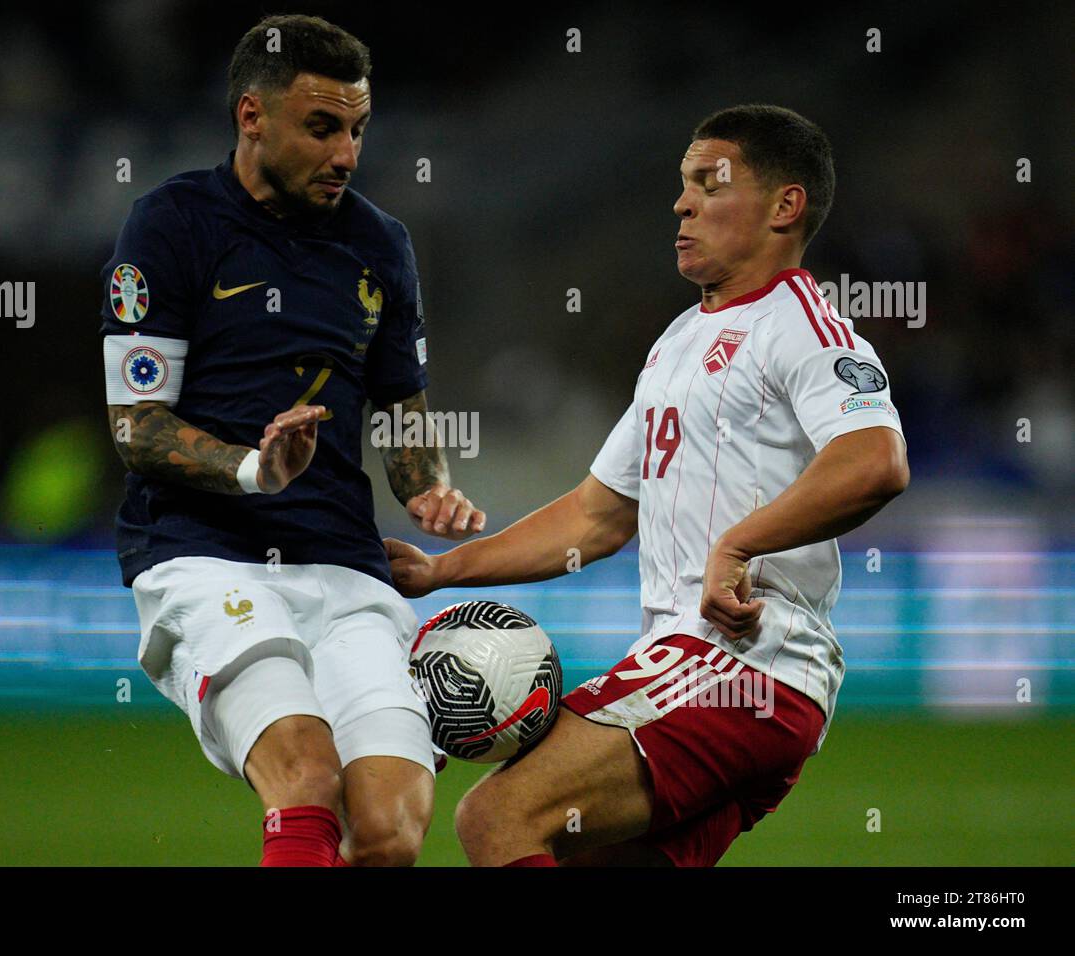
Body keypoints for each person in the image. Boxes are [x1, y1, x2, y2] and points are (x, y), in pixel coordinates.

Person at [386, 105, 910, 866]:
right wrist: (441, 571)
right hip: (698, 662)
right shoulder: (678, 341)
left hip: (745, 664)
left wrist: (739, 542)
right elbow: (598, 514)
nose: (682, 202)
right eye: (682, 183)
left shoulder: (806, 327)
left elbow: (875, 462)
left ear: (785, 206)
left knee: (498, 819)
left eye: (708, 183)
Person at [100, 14, 483, 867]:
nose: (347, 152)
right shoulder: (170, 226)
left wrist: (426, 484)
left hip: (345, 563)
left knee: (386, 831)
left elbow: (402, 410)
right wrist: (252, 468)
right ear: (251, 117)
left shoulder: (381, 244)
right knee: (307, 776)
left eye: (357, 129)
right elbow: (136, 426)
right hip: (206, 555)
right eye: (322, 128)